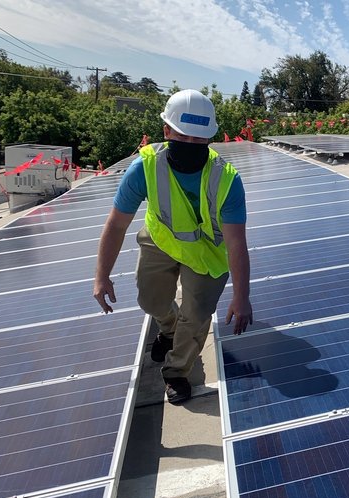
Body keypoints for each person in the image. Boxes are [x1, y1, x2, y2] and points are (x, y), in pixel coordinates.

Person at [93, 89, 253, 405]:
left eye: (199, 140)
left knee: (196, 317)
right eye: (183, 136)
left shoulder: (227, 179)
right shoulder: (145, 167)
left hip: (207, 255)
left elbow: (237, 242)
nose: (191, 145)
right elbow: (116, 224)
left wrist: (241, 296)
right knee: (151, 301)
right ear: (166, 131)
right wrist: (102, 275)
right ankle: (168, 328)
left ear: (210, 139)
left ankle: (177, 371)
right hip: (161, 240)